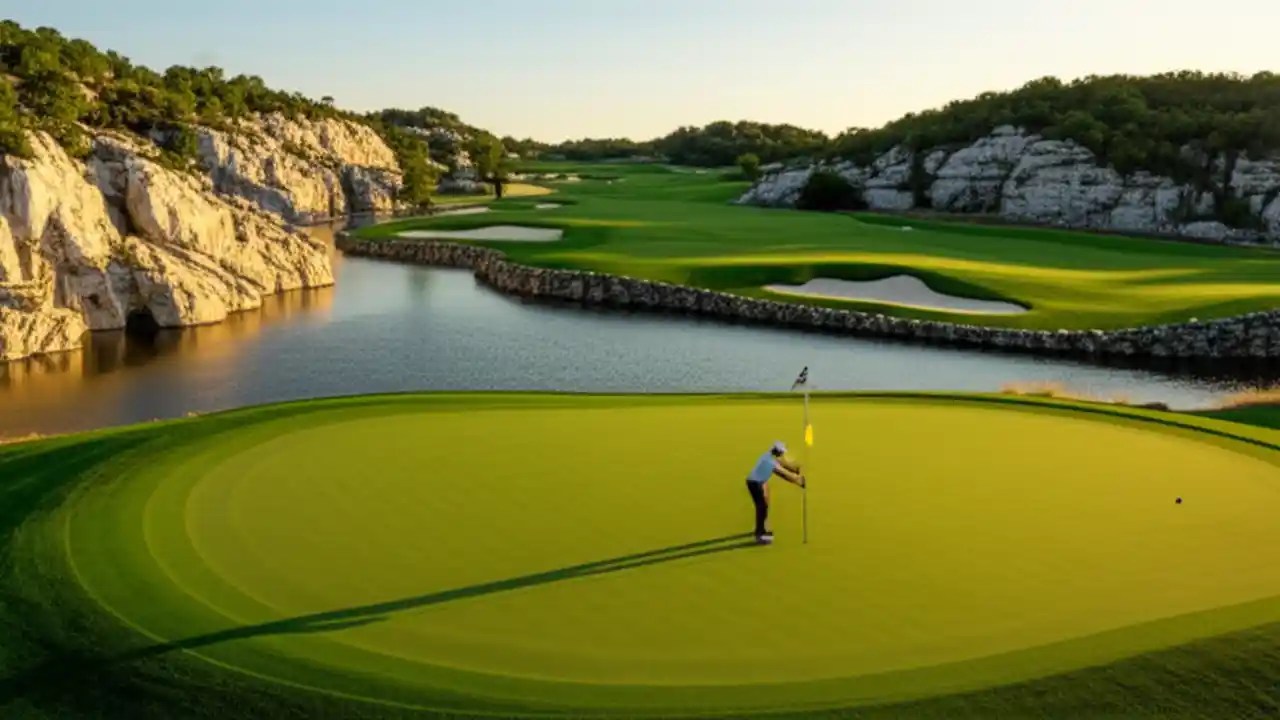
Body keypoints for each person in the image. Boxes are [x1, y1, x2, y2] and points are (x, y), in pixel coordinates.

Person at [746, 441, 805, 543]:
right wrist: (799, 481)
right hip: (755, 484)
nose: (782, 454)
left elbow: (782, 464)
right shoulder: (770, 461)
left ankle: (761, 529)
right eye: (781, 452)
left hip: (760, 481)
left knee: (764, 505)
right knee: (762, 507)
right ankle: (760, 535)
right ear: (778, 452)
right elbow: (783, 474)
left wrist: (794, 469)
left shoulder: (769, 456)